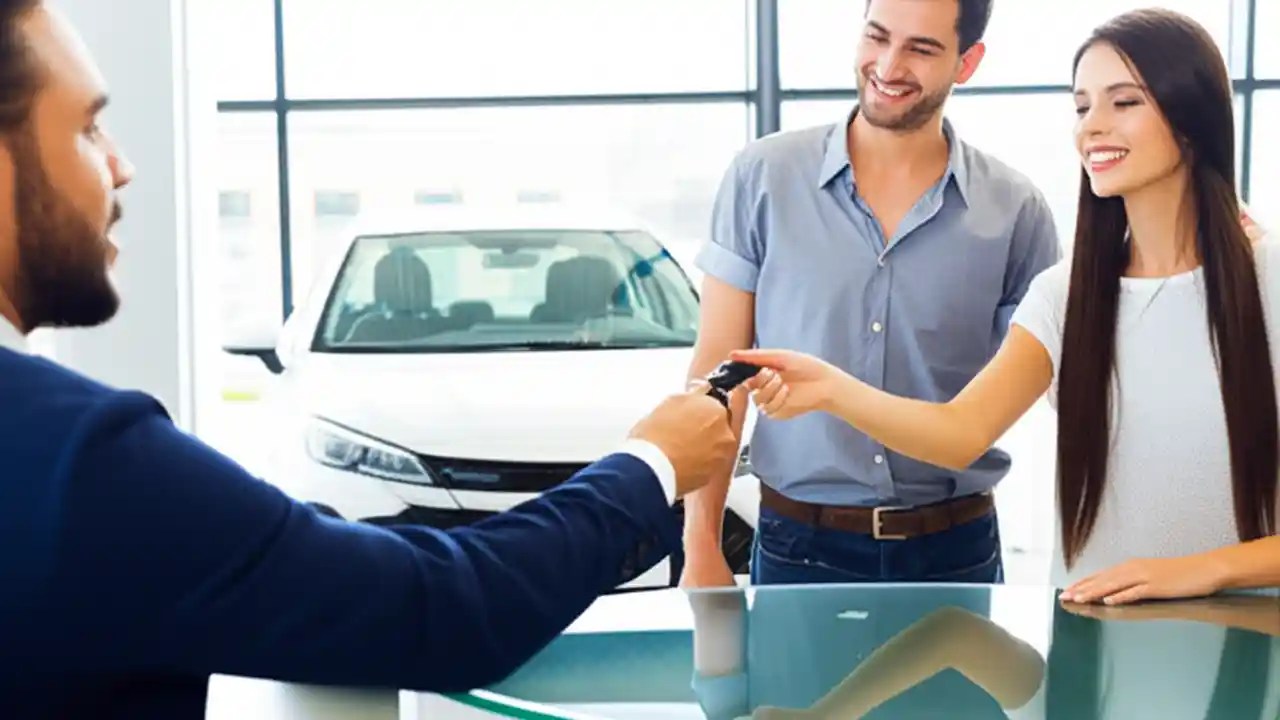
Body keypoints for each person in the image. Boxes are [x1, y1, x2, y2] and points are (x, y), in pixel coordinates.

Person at [0, 2, 740, 717]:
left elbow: (327, 565)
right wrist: (655, 462)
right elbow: (433, 609)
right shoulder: (81, 460)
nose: (122, 165)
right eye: (89, 128)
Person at [733, 9, 1280, 605]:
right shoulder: (1065, 295)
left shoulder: (1268, 278)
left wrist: (1206, 570)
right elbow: (961, 433)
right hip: (1094, 653)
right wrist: (832, 387)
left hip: (1247, 655)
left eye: (1124, 103)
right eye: (1081, 106)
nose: (1092, 128)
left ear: (1191, 118)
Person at [680, 0, 1061, 588]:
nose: (888, 65)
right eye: (877, 37)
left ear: (968, 62)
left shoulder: (1017, 212)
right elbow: (716, 376)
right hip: (798, 548)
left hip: (955, 552)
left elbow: (1027, 394)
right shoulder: (764, 177)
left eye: (921, 48)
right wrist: (700, 544)